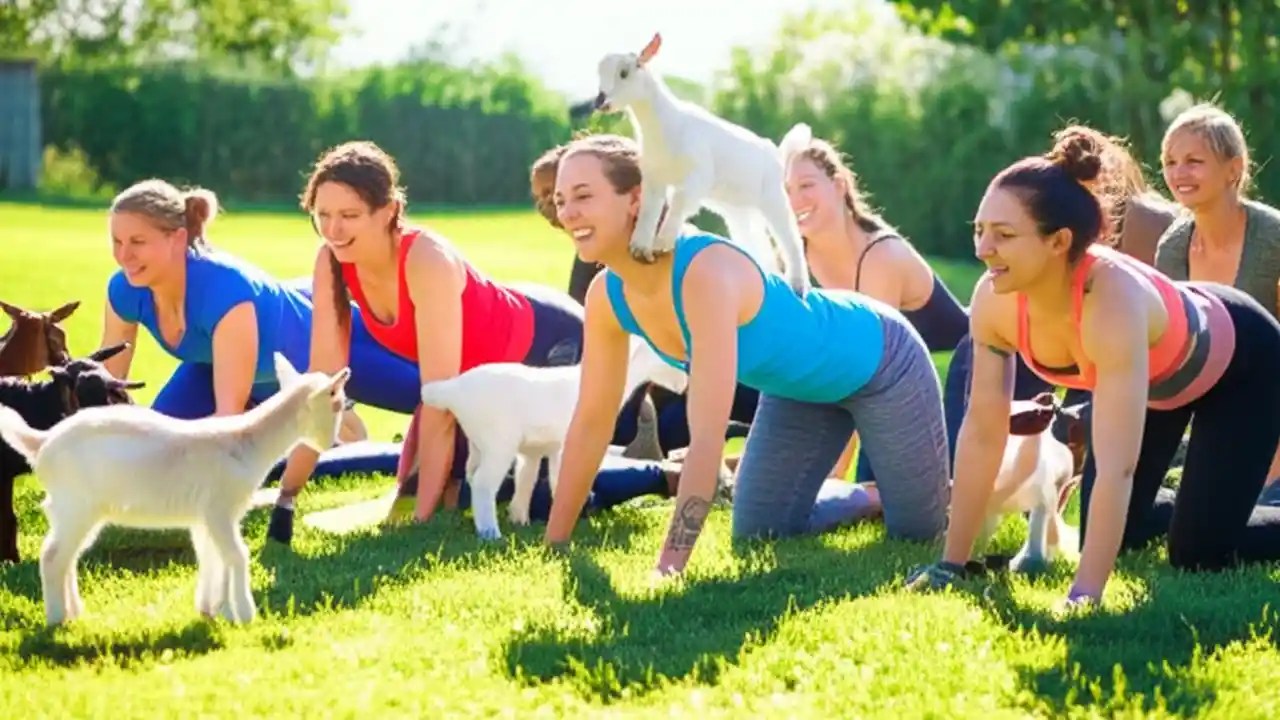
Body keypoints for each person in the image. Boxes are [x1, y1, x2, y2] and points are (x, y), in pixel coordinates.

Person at [542, 133, 949, 576]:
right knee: (760, 531)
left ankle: (949, 490)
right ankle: (872, 495)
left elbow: (707, 435)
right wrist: (556, 544)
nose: (567, 213)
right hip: (798, 391)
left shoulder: (703, 271)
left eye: (583, 196)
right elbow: (591, 421)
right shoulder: (607, 295)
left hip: (882, 364)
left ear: (636, 198)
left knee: (917, 534)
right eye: (560, 200)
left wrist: (669, 569)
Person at [906, 131, 1280, 608]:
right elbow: (983, 430)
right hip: (1153, 378)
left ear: (1058, 241)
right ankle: (1202, 505)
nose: (983, 248)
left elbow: (1117, 467)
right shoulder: (993, 300)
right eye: (979, 230)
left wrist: (1085, 593)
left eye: (1004, 234)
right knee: (1120, 534)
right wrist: (950, 565)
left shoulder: (1111, 301)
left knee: (1197, 552)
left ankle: (1222, 516)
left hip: (1241, 363)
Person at [269, 140, 689, 542]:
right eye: (321, 215)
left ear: (389, 210)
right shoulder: (332, 260)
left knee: (536, 490)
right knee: (467, 487)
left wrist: (421, 517)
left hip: (546, 346)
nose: (333, 229)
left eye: (349, 215)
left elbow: (439, 404)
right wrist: (287, 496)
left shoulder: (424, 259)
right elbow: (321, 383)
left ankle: (664, 471)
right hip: (485, 381)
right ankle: (631, 440)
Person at [782, 131, 1049, 480]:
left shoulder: (881, 256)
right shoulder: (804, 255)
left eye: (806, 185)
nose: (795, 199)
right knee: (872, 486)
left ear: (839, 185)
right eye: (787, 190)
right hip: (904, 380)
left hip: (978, 366)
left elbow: (867, 369)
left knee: (915, 489)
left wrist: (834, 473)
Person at [99, 178, 412, 439]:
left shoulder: (224, 294)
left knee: (433, 396)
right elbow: (107, 388)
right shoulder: (125, 290)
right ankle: (340, 429)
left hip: (321, 343)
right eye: (117, 241)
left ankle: (342, 424)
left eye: (138, 242)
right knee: (159, 445)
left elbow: (228, 424)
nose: (125, 255)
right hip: (225, 369)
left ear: (178, 239)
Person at [531, 139, 761, 457]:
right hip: (665, 379)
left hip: (715, 377)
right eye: (550, 197)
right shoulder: (596, 262)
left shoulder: (672, 251)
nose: (554, 207)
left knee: (638, 428)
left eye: (580, 194)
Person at [1152, 104, 1280, 497]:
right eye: (1170, 161)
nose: (1178, 173)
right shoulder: (1172, 249)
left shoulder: (1273, 238)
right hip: (1213, 419)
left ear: (1234, 169)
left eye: (1194, 161)